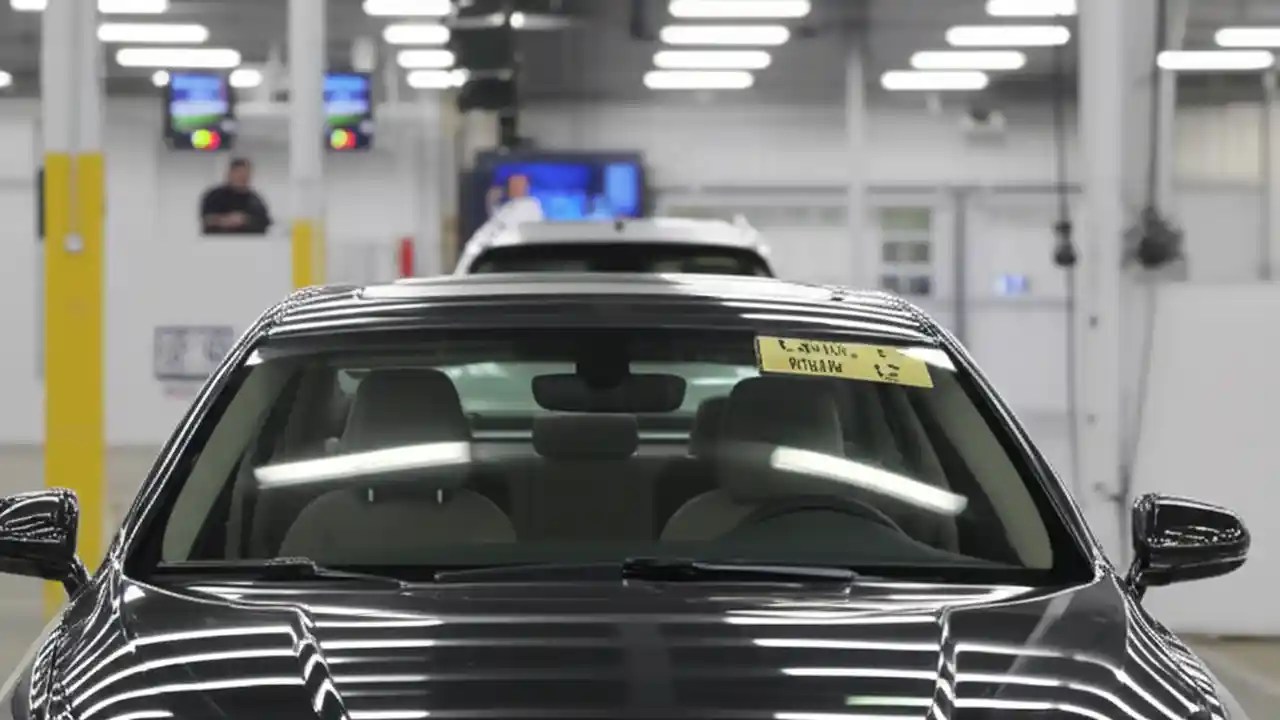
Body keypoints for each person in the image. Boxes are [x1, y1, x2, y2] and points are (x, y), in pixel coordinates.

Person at [200, 157, 273, 235]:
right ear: (230, 173)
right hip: (218, 242)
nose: (243, 178)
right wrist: (225, 221)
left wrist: (245, 220)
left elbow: (265, 222)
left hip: (249, 243)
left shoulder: (255, 200)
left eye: (246, 174)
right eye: (239, 173)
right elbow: (206, 219)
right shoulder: (214, 196)